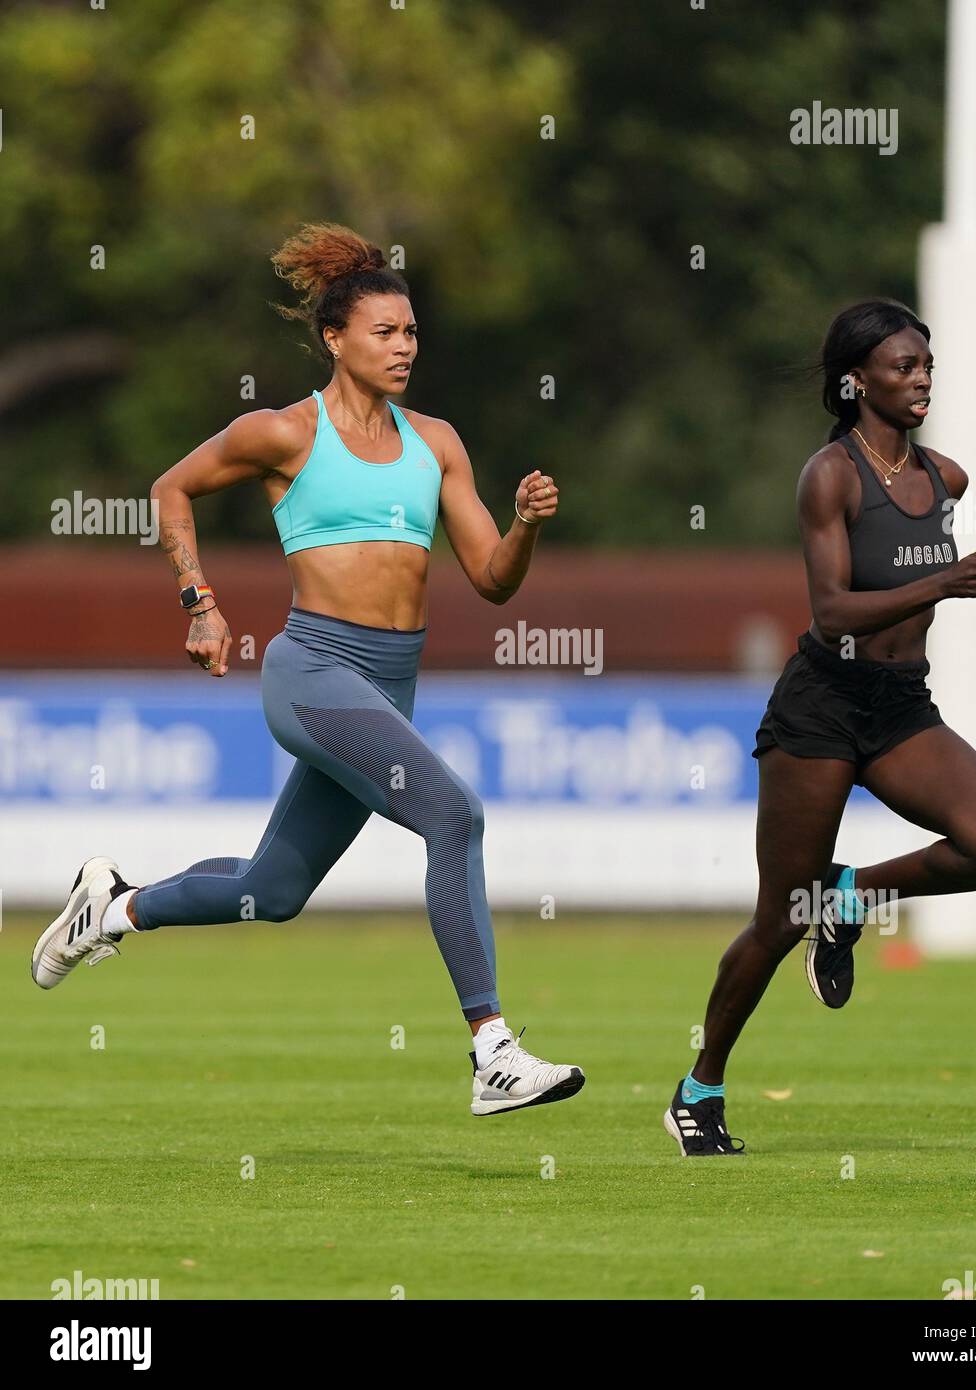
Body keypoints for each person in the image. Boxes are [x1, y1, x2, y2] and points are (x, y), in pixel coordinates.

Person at [32, 222, 585, 1119]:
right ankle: (492, 1049)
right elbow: (169, 489)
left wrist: (523, 523)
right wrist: (199, 604)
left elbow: (490, 581)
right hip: (314, 672)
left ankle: (114, 908)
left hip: (388, 684)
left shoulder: (438, 443)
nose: (404, 347)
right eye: (385, 332)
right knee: (454, 813)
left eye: (411, 332)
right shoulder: (282, 432)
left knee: (270, 891)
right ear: (335, 338)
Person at [664, 298, 976, 1157]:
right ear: (854, 379)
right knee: (775, 918)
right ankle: (699, 1086)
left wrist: (937, 582)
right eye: (903, 368)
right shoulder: (828, 476)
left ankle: (851, 896)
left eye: (926, 366)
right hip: (821, 707)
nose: (921, 380)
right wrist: (941, 582)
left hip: (902, 708)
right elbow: (831, 611)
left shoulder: (945, 478)